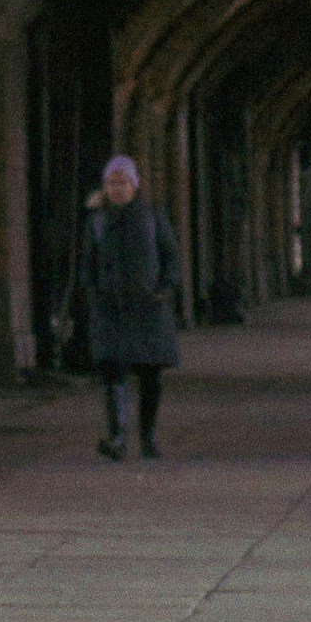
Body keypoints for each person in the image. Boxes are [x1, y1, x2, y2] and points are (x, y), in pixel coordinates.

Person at [71, 155, 182, 460]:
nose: (117, 188)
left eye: (122, 182)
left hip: (148, 307)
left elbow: (171, 256)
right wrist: (94, 293)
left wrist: (164, 288)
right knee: (113, 370)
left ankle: (148, 438)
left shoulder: (152, 215)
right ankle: (118, 437)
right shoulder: (97, 220)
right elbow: (87, 264)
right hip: (111, 307)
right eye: (111, 183)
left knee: (150, 374)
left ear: (134, 184)